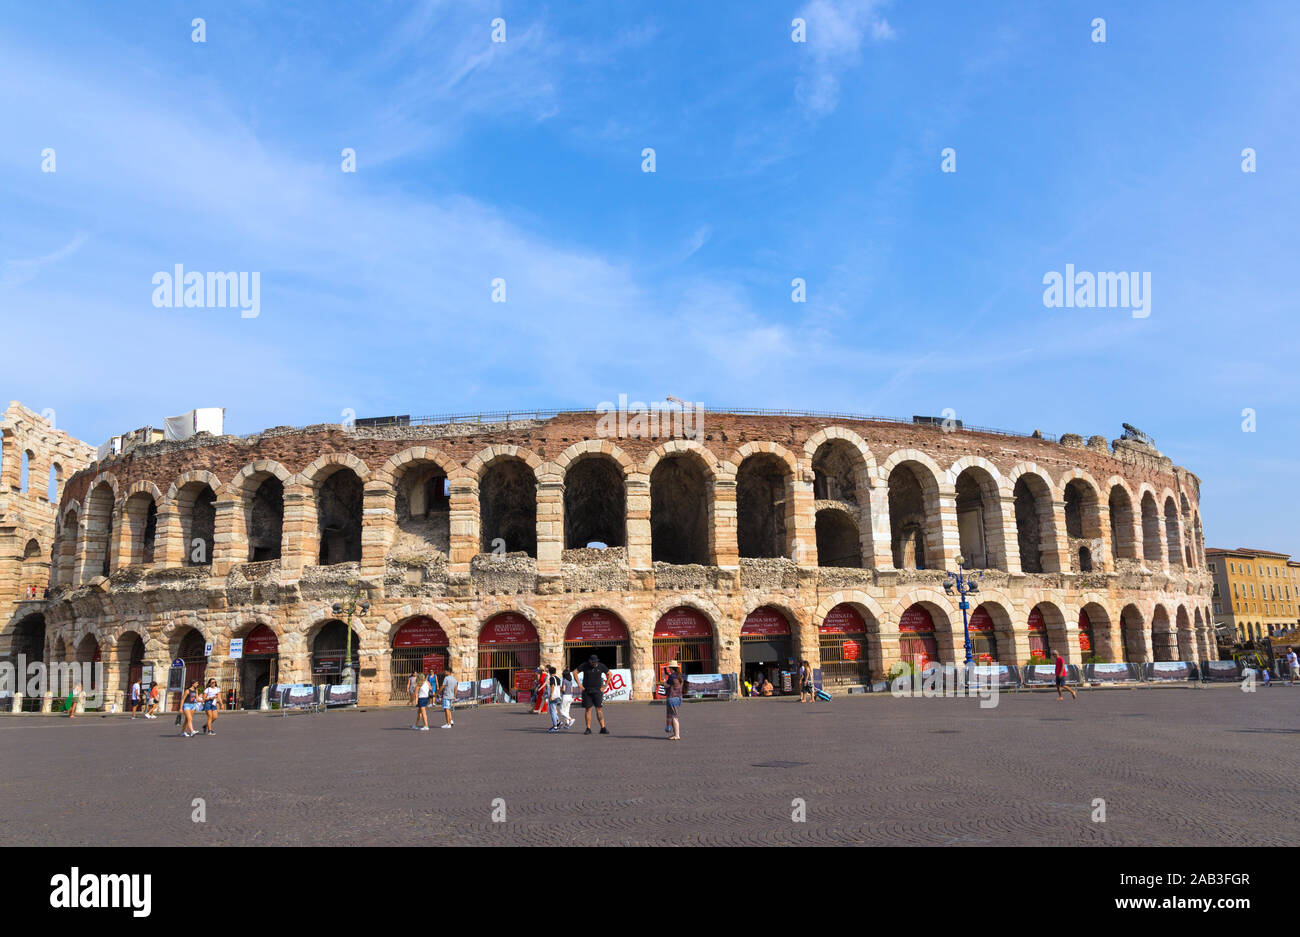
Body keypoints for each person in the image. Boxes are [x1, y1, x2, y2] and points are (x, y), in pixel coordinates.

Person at [576, 654, 610, 735]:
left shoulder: (601, 666)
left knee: (599, 709)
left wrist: (605, 685)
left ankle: (603, 728)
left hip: (597, 691)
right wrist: (579, 684)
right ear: (590, 661)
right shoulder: (585, 665)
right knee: (588, 709)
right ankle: (588, 728)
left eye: (596, 662)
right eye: (593, 662)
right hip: (587, 691)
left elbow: (609, 674)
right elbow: (574, 672)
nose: (595, 663)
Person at [663, 660, 684, 740]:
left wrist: (664, 680)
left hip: (672, 698)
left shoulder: (672, 676)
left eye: (669, 668)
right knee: (672, 716)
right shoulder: (679, 676)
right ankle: (674, 733)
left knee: (674, 717)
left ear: (671, 668)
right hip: (678, 697)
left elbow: (666, 685)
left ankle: (677, 735)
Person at [546, 666, 564, 733]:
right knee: (552, 710)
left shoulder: (552, 678)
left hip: (553, 696)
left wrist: (550, 695)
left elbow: (552, 686)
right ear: (555, 672)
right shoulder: (558, 678)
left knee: (552, 712)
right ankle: (558, 722)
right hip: (558, 696)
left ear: (549, 672)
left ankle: (555, 727)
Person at [439, 661, 457, 728]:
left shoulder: (446, 678)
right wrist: (455, 696)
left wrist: (438, 692)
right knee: (448, 709)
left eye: (445, 671)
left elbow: (443, 686)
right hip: (451, 696)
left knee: (446, 709)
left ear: (448, 672)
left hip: (446, 696)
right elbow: (456, 688)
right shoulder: (454, 679)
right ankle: (451, 720)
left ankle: (448, 723)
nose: (444, 672)